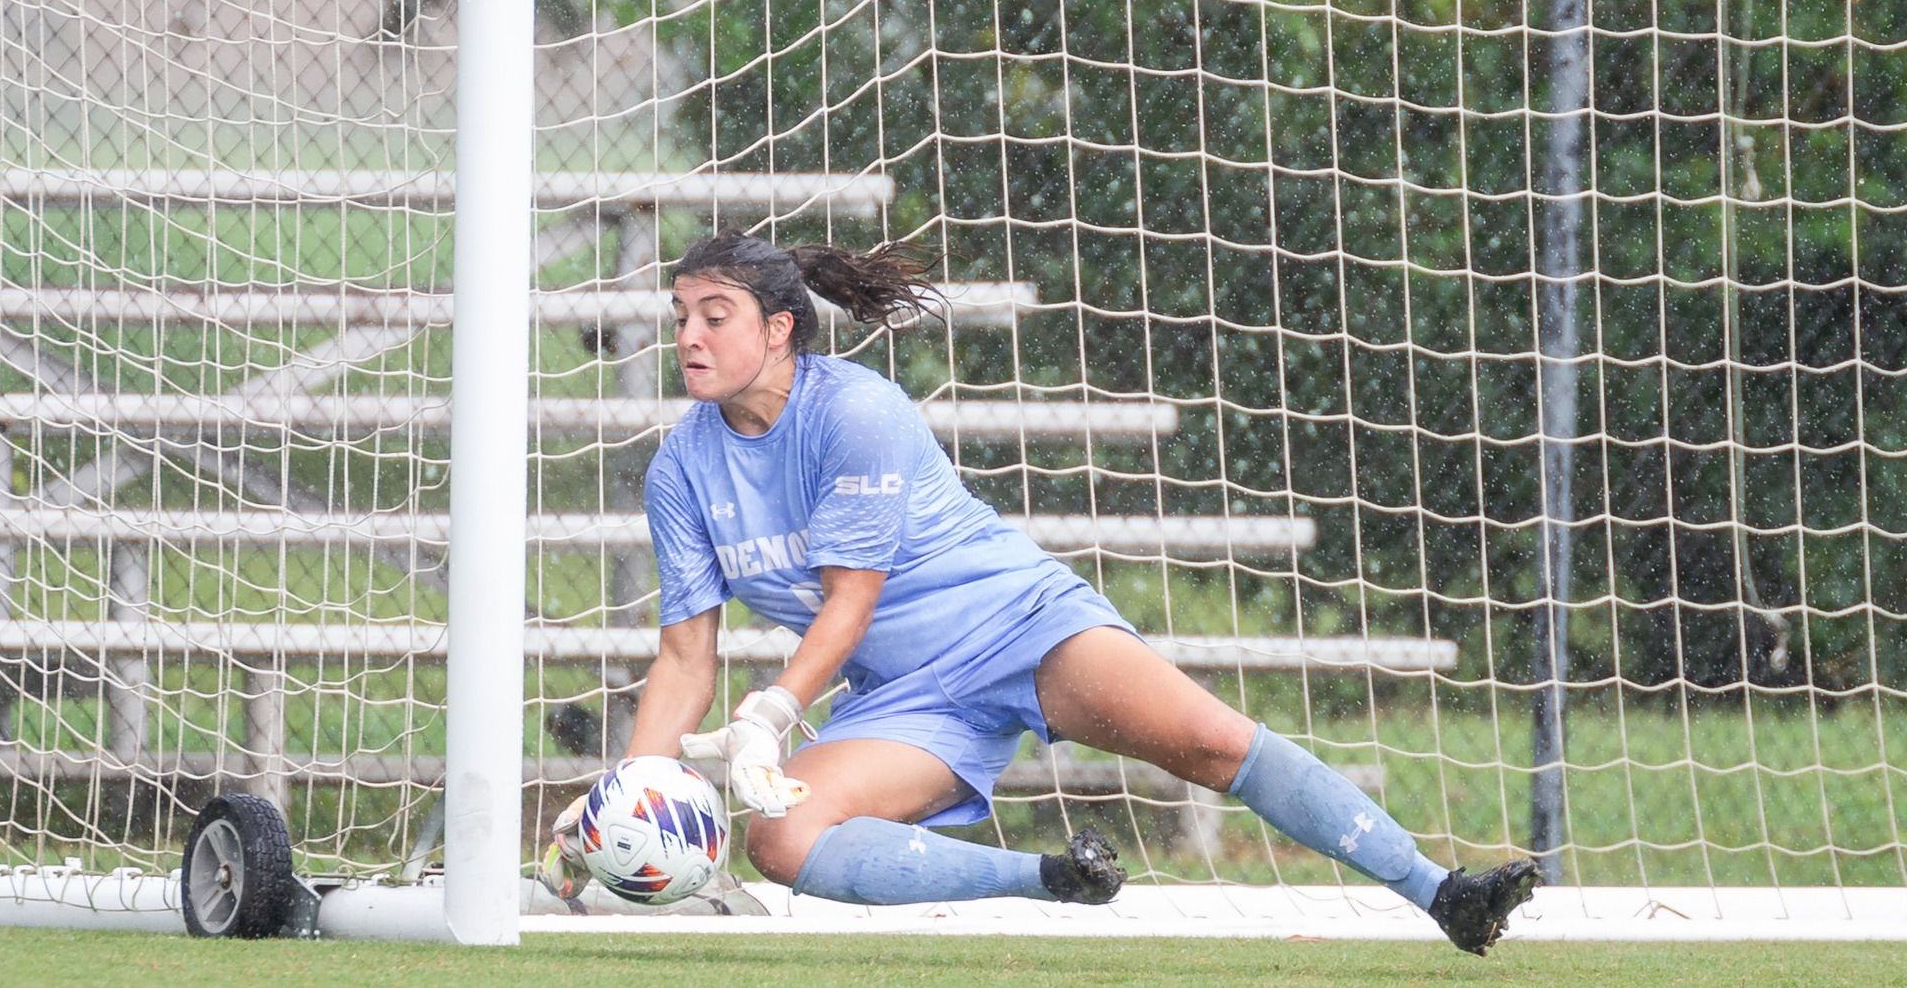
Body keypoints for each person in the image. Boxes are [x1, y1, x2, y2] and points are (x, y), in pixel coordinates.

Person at [592, 230, 1538, 953]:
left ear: (779, 327)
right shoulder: (680, 468)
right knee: (784, 839)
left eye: (714, 314)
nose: (689, 336)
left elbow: (851, 601)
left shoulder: (857, 412)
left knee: (1212, 742)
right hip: (909, 698)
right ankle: (1051, 876)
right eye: (680, 316)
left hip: (1019, 625)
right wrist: (622, 801)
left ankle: (1439, 891)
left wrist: (774, 711)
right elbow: (684, 655)